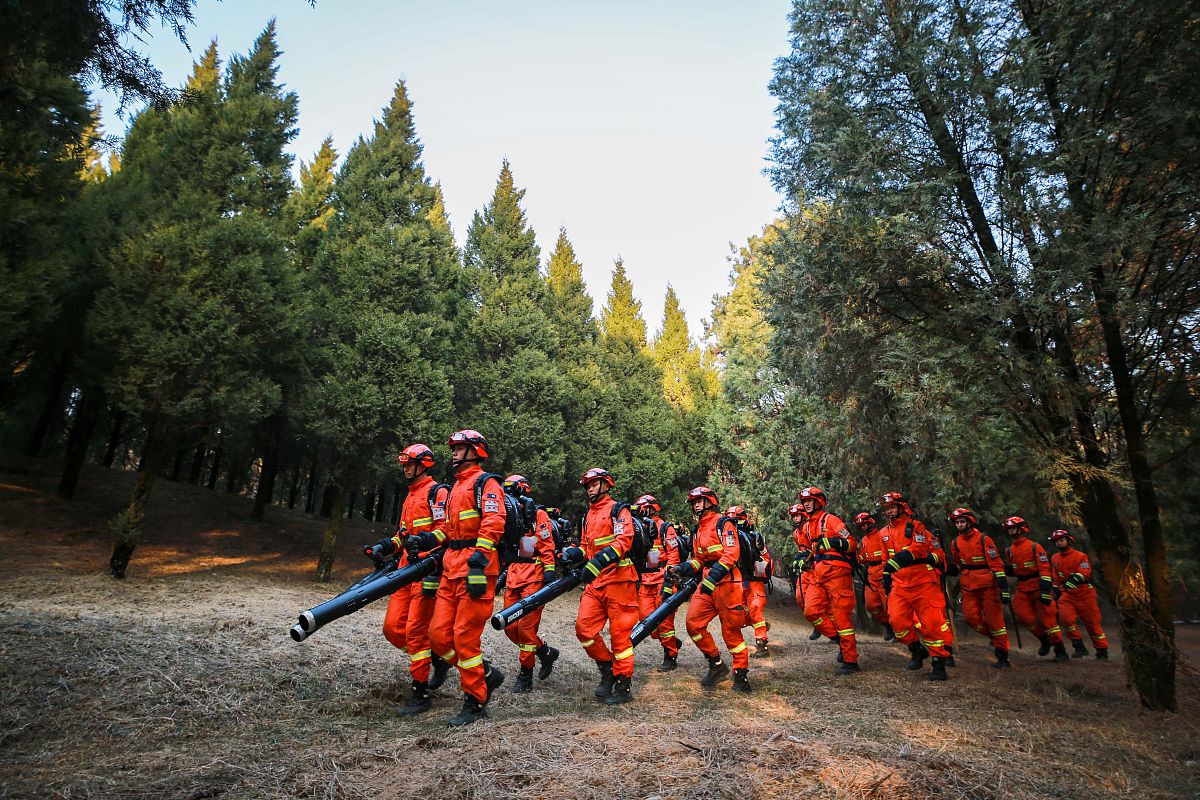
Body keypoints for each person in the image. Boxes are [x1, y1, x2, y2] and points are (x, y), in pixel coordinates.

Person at [405, 430, 506, 726]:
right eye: (453, 448)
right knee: (437, 636)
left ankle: (476, 701)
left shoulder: (486, 484)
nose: (453, 452)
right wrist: (426, 540)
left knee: (465, 638)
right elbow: (448, 531)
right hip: (451, 567)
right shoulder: (454, 488)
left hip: (477, 569)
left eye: (460, 448)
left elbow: (494, 521)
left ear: (475, 452)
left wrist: (480, 555)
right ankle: (486, 674)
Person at [368, 444, 451, 716]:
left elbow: (445, 532)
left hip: (426, 570)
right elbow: (402, 535)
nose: (405, 468)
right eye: (404, 463)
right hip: (404, 570)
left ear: (424, 465)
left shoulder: (437, 493)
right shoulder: (410, 495)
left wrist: (425, 541)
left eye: (410, 463)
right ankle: (433, 659)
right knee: (393, 629)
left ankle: (420, 693)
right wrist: (386, 545)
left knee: (416, 631)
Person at [567, 468, 639, 705]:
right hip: (596, 582)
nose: (589, 488)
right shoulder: (587, 516)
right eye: (587, 484)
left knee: (620, 638)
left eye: (594, 484)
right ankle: (607, 667)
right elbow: (587, 548)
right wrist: (571, 554)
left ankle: (623, 684)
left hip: (619, 581)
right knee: (583, 629)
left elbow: (623, 542)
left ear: (606, 485)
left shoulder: (619, 511)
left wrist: (597, 562)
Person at [669, 486, 751, 692]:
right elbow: (699, 561)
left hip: (728, 584)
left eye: (700, 500)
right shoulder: (697, 529)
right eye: (694, 502)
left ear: (710, 502)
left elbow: (731, 554)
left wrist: (712, 577)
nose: (696, 504)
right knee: (693, 625)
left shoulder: (724, 524)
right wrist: (683, 568)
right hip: (707, 584)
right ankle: (716, 663)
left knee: (730, 630)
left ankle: (741, 674)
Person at [878, 491, 952, 681]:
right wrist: (886, 578)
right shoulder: (883, 533)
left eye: (892, 507)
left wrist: (898, 561)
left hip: (923, 584)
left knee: (932, 626)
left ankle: (938, 663)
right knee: (897, 623)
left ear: (902, 507)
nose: (890, 511)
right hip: (900, 586)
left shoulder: (916, 527)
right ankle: (917, 649)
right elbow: (885, 561)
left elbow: (918, 550)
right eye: (887, 508)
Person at [499, 475, 560, 693]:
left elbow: (546, 544)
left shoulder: (537, 514)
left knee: (525, 628)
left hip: (534, 573)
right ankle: (544, 652)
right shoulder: (505, 513)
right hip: (514, 573)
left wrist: (549, 571)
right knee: (509, 626)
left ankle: (526, 674)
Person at [795, 487, 860, 674]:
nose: (806, 504)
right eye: (804, 501)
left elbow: (852, 544)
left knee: (841, 618)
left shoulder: (831, 521)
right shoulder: (807, 527)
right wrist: (801, 558)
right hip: (818, 574)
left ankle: (851, 661)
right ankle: (841, 640)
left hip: (838, 575)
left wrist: (834, 542)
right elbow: (807, 550)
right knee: (811, 611)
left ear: (819, 502)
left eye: (810, 500)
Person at [948, 508, 1011, 668]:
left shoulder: (984, 539)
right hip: (968, 586)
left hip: (988, 586)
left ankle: (1003, 655)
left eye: (962, 522)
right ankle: (994, 637)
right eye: (957, 523)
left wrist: (1003, 587)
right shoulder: (955, 543)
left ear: (969, 522)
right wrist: (949, 569)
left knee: (995, 621)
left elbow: (996, 564)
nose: (960, 525)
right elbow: (958, 564)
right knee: (970, 618)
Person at [1003, 516, 1069, 662]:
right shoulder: (1009, 550)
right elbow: (1014, 569)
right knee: (1024, 616)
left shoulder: (1034, 546)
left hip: (1039, 586)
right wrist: (1006, 571)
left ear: (1022, 528)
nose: (1011, 530)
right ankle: (1044, 639)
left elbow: (1044, 567)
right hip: (1022, 588)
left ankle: (1060, 649)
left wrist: (1045, 588)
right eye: (1009, 528)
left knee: (1048, 620)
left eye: (1013, 527)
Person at [633, 494, 683, 672]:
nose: (641, 511)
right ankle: (672, 642)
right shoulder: (637, 527)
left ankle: (670, 656)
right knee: (645, 620)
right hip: (645, 582)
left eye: (644, 507)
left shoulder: (665, 528)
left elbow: (673, 555)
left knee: (665, 623)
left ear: (653, 509)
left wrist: (669, 581)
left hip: (663, 580)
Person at [1049, 529, 1109, 659]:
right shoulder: (1054, 558)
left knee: (1092, 624)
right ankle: (1078, 645)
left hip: (1085, 593)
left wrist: (1073, 580)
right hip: (1067, 595)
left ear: (1068, 540)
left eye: (1061, 540)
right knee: (1066, 619)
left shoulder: (1081, 556)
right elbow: (1056, 577)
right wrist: (1055, 590)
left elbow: (1084, 572)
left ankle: (1101, 650)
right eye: (1056, 541)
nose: (1059, 543)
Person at [854, 512, 892, 641]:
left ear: (870, 522)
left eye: (864, 524)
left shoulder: (881, 535)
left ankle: (898, 629)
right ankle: (887, 625)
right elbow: (863, 559)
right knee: (871, 605)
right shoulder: (864, 540)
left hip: (884, 573)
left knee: (889, 606)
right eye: (861, 525)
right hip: (871, 574)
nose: (863, 527)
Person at [788, 502, 822, 641]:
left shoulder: (811, 528)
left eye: (797, 516)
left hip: (816, 568)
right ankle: (817, 624)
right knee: (800, 599)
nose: (795, 519)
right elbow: (801, 551)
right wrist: (799, 560)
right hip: (805, 569)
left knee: (819, 601)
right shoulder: (796, 533)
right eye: (793, 517)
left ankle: (830, 629)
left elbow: (816, 548)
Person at [743, 521, 774, 658]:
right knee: (735, 613)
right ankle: (759, 625)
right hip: (736, 582)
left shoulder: (755, 538)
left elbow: (766, 559)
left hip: (754, 581)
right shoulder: (725, 537)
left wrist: (759, 551)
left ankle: (762, 645)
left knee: (755, 609)